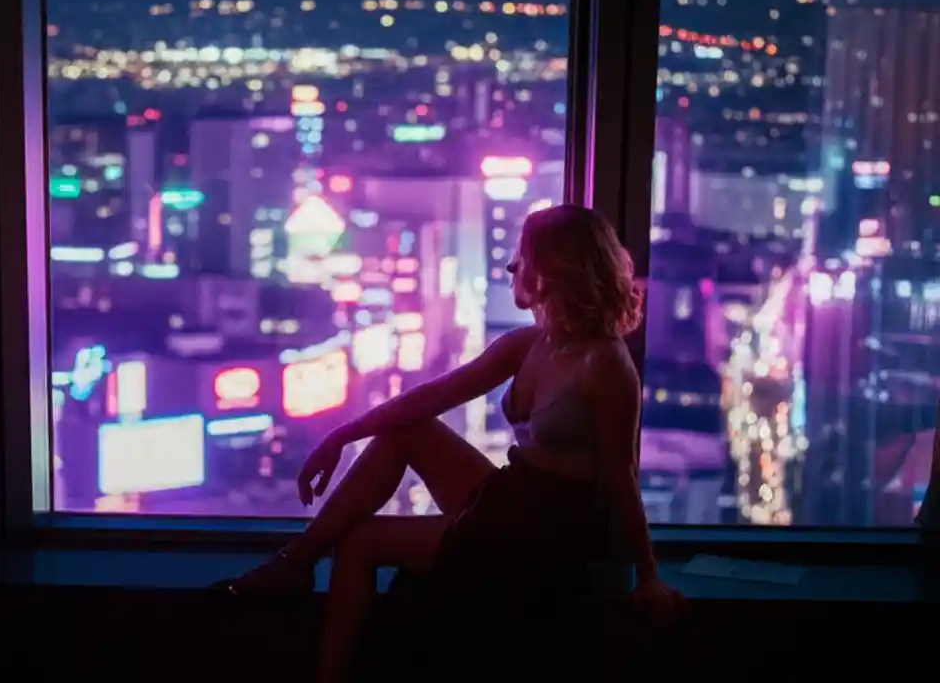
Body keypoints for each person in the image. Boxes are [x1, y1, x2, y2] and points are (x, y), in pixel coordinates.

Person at [215, 206, 685, 682]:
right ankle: (295, 562)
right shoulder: (531, 343)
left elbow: (620, 476)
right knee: (409, 430)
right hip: (514, 494)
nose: (511, 268)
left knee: (362, 543)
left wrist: (647, 576)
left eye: (521, 258)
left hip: (552, 527)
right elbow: (431, 397)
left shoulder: (605, 365)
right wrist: (343, 434)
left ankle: (326, 677)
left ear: (553, 271)